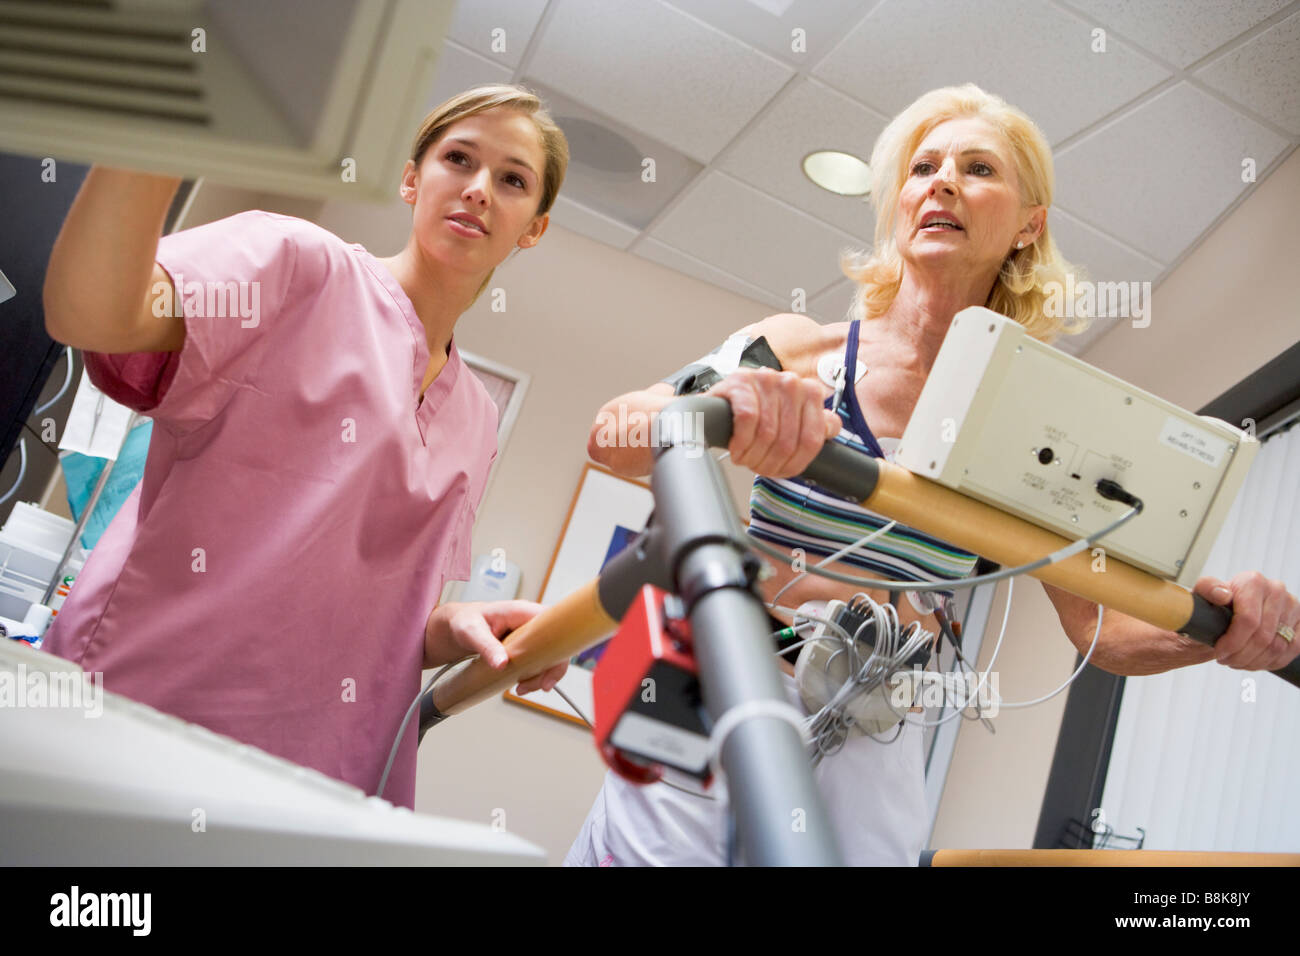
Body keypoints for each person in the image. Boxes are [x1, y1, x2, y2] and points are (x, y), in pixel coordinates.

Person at [565, 83, 1300, 866]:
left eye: (977, 168)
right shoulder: (798, 351)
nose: (942, 181)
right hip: (730, 675)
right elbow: (613, 436)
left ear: (1029, 225)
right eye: (923, 168)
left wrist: (1221, 624)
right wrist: (727, 400)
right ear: (901, 208)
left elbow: (1101, 629)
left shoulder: (1033, 422)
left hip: (880, 722)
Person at [40, 85, 570, 809]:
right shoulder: (295, 266)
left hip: (319, 777)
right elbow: (92, 311)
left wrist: (458, 630)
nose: (479, 189)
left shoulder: (476, 418)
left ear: (533, 229)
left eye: (512, 179)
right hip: (141, 716)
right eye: (459, 159)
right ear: (413, 180)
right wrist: (156, 114)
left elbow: (379, 618)